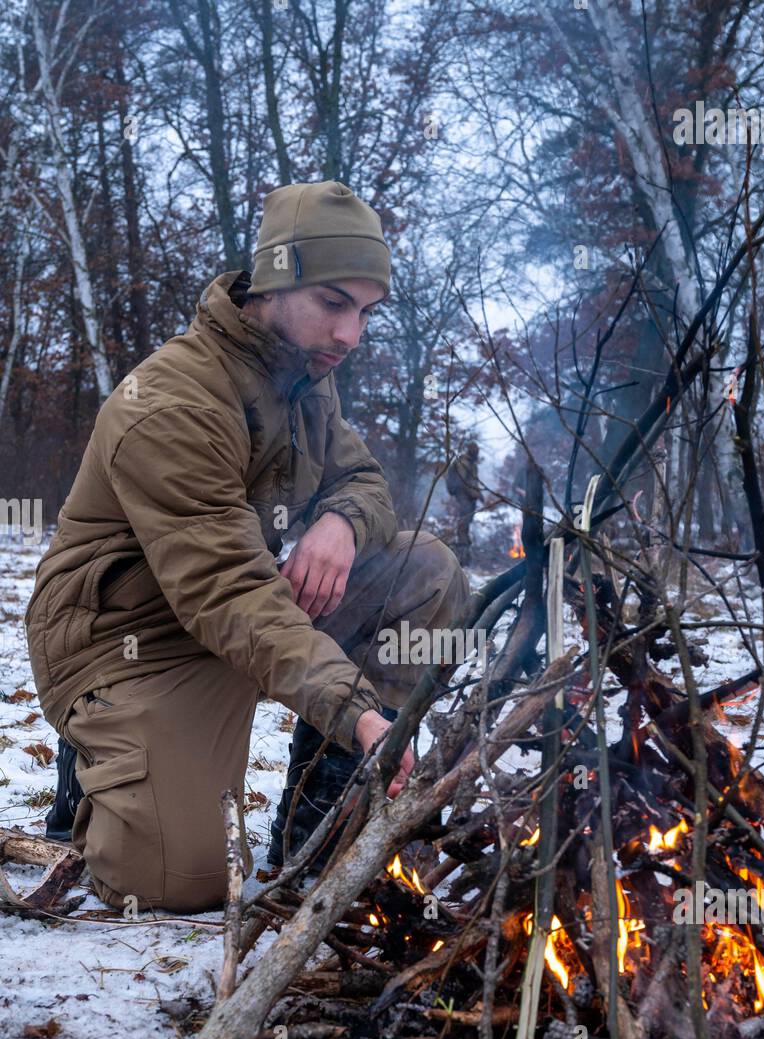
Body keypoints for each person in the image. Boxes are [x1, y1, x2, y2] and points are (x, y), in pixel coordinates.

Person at [26, 180, 468, 913]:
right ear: (274, 281)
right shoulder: (173, 403)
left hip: (238, 606)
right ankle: (100, 764)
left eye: (365, 313)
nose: (349, 335)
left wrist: (340, 525)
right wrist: (357, 709)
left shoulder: (303, 375)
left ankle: (323, 822)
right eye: (334, 303)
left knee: (425, 570)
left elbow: (366, 482)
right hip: (130, 639)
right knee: (179, 881)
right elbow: (227, 590)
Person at [445, 438, 483, 564]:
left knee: (466, 522)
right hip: (463, 496)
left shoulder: (472, 464)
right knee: (463, 523)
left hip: (469, 497)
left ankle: (465, 554)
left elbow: (474, 481)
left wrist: (479, 495)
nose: (477, 453)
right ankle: (462, 555)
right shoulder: (464, 463)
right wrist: (475, 494)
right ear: (471, 451)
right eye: (475, 451)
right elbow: (463, 482)